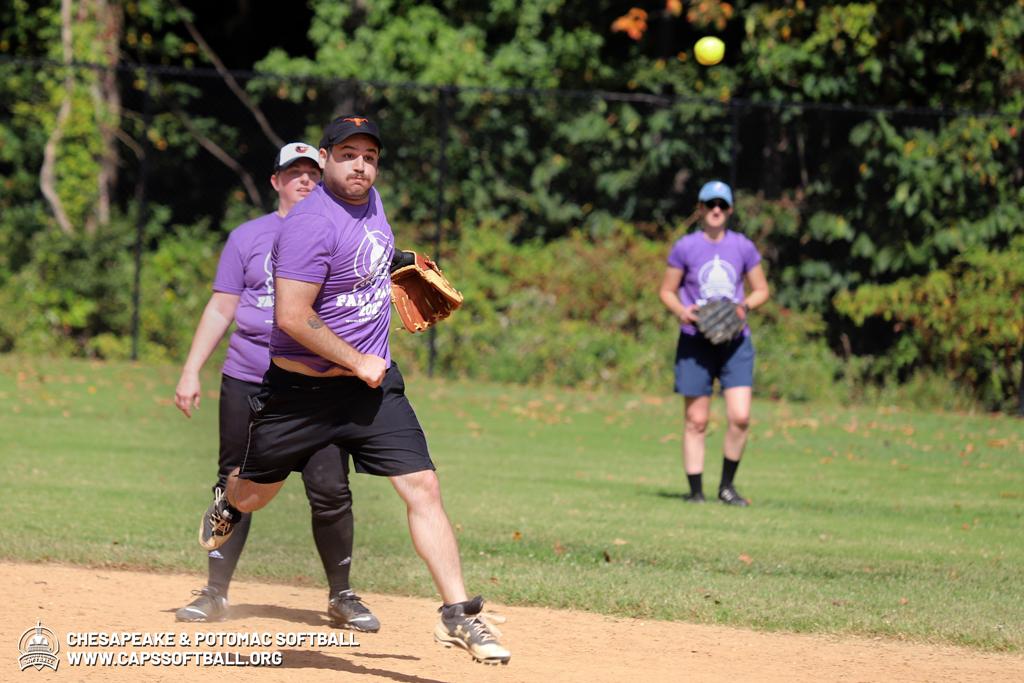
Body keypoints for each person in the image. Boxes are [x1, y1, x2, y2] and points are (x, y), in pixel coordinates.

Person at [196, 115, 511, 665]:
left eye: (369, 154)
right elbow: (292, 316)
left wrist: (398, 266)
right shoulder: (309, 224)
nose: (361, 164)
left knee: (422, 486)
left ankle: (459, 614)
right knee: (254, 497)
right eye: (348, 153)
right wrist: (355, 359)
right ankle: (229, 495)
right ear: (324, 159)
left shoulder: (373, 202)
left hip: (371, 391)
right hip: (301, 392)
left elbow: (359, 261)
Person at [172, 142, 379, 633]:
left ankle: (342, 596)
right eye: (294, 173)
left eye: (312, 171)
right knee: (234, 480)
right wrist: (190, 369)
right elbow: (222, 307)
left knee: (330, 488)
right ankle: (215, 592)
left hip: (315, 385)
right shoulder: (249, 237)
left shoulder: (342, 228)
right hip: (248, 376)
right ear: (276, 181)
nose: (304, 180)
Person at [658, 180, 770, 506]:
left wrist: (743, 306)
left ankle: (727, 487)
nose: (716, 210)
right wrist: (682, 310)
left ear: (730, 209)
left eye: (722, 204)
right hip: (696, 340)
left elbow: (761, 289)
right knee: (697, 420)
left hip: (735, 341)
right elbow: (667, 290)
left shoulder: (743, 247)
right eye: (710, 204)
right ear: (701, 208)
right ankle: (695, 493)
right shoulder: (685, 247)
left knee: (740, 416)